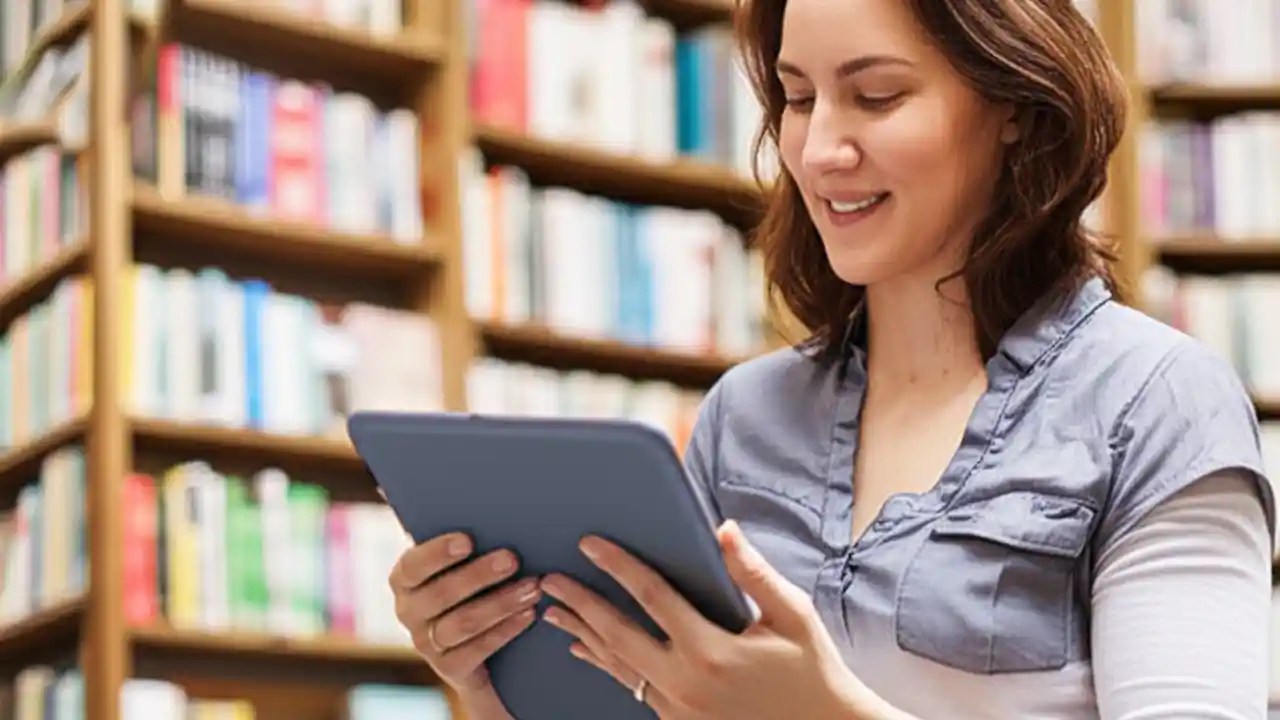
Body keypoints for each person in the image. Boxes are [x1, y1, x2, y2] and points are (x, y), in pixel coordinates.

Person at [387, 0, 1277, 717]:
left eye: (878, 96)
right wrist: (491, 677)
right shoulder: (744, 417)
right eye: (800, 99)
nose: (818, 152)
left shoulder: (1156, 402)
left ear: (1014, 105)